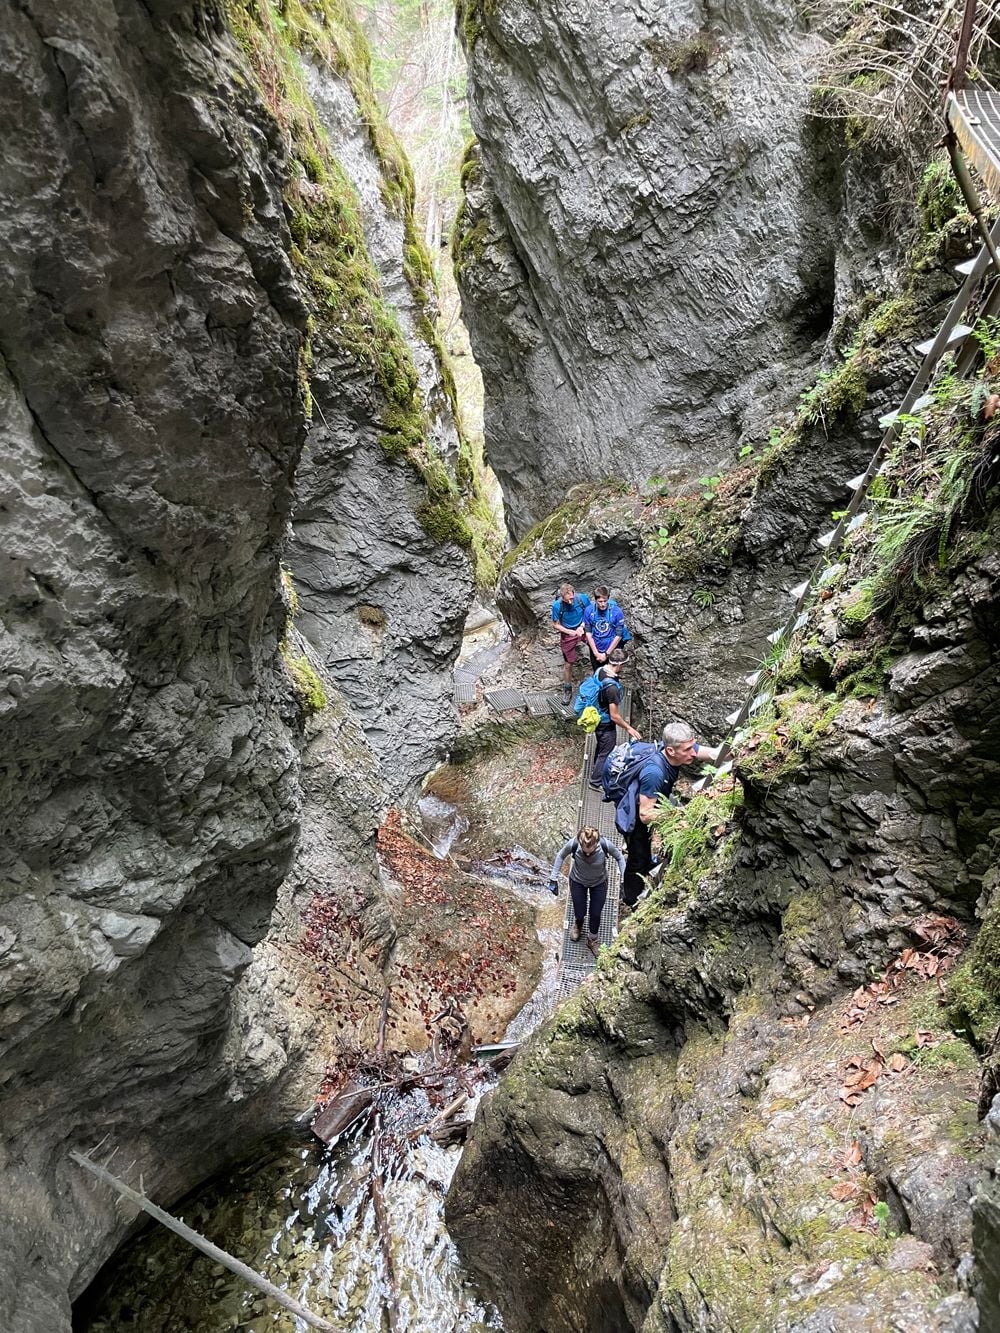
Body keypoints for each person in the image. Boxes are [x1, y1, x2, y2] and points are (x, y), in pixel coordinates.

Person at [620, 723, 712, 912]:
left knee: (644, 852)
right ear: (670, 750)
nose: (692, 754)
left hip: (653, 799)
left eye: (692, 747)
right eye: (687, 750)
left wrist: (736, 753)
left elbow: (711, 754)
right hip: (637, 817)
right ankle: (631, 899)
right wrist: (679, 814)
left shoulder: (677, 749)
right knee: (638, 858)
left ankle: (648, 864)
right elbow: (645, 815)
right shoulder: (654, 772)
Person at [548, 825, 626, 956]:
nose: (588, 854)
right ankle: (578, 923)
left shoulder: (605, 845)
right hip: (578, 881)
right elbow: (561, 856)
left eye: (591, 851)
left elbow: (619, 857)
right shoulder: (573, 844)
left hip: (599, 882)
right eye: (585, 852)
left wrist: (624, 879)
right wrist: (553, 878)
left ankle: (592, 939)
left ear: (596, 843)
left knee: (595, 913)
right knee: (580, 911)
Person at [587, 651, 640, 790]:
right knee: (607, 750)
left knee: (601, 746)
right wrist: (629, 728)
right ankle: (595, 781)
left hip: (596, 714)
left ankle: (595, 768)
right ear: (620, 664)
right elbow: (614, 716)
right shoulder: (612, 688)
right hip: (605, 721)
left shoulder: (600, 670)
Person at [551, 583, 590, 702]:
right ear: (562, 597)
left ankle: (598, 678)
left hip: (583, 628)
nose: (570, 602)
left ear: (574, 593)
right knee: (568, 663)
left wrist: (582, 626)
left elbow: (589, 613)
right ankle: (567, 688)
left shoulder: (582, 598)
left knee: (596, 648)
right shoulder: (557, 606)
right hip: (568, 633)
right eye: (567, 600)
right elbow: (555, 624)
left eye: (572, 598)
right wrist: (569, 631)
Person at [584, 586, 629, 668]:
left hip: (612, 646)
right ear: (595, 600)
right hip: (596, 646)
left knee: (612, 674)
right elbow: (588, 632)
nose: (603, 604)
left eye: (605, 601)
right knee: (597, 672)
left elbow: (619, 634)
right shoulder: (589, 610)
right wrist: (596, 653)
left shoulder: (617, 611)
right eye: (600, 601)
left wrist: (607, 654)